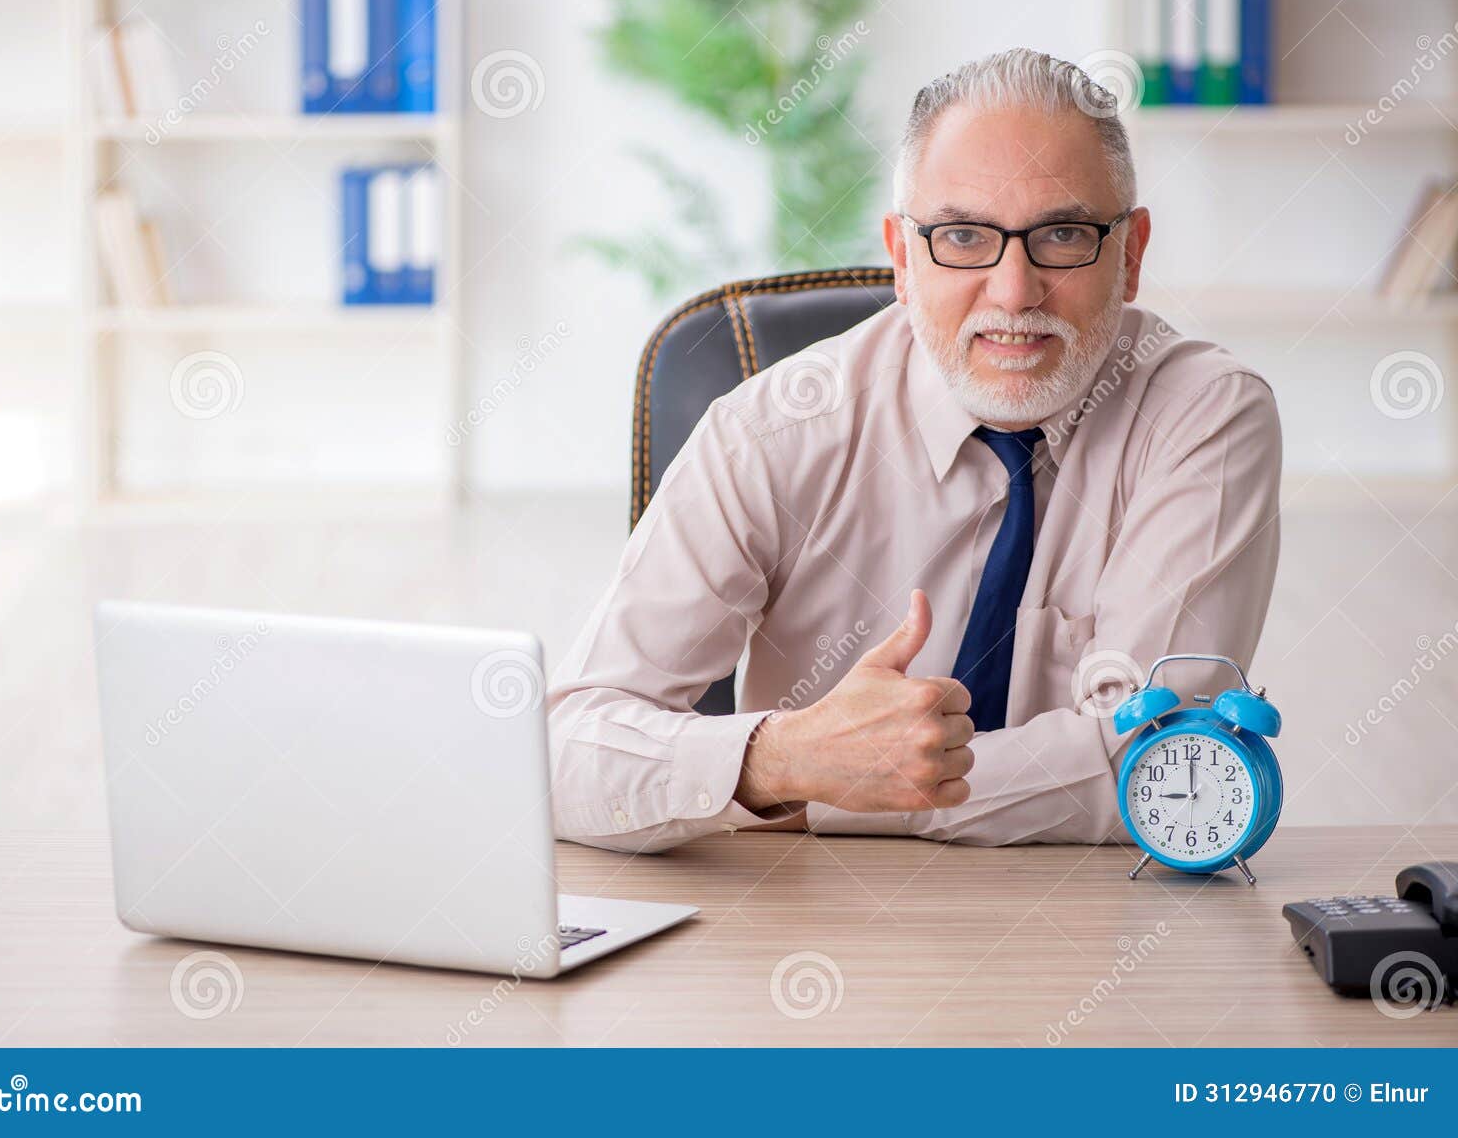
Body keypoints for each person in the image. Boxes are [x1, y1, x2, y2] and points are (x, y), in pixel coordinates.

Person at [548, 48, 1282, 854]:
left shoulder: (1206, 414)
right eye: (964, 236)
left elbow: (1165, 767)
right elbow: (566, 753)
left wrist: (829, 793)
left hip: (1096, 926)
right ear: (902, 257)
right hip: (807, 922)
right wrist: (776, 760)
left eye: (1064, 234)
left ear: (1131, 254)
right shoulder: (769, 432)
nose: (1013, 291)